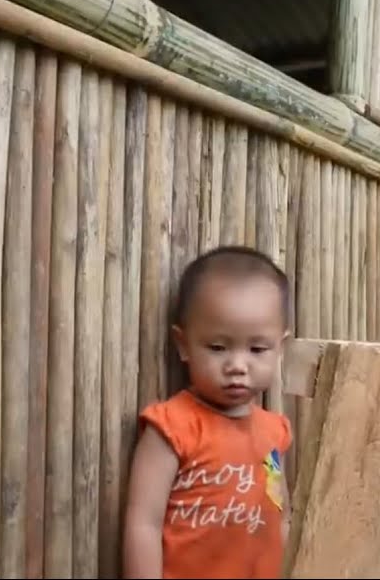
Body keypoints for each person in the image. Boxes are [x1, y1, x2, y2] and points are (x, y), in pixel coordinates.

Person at [123, 246, 293, 580]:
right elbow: (143, 524)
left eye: (257, 349)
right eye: (218, 347)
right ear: (183, 344)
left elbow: (280, 513)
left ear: (280, 348)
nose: (237, 366)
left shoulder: (275, 433)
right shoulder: (171, 427)